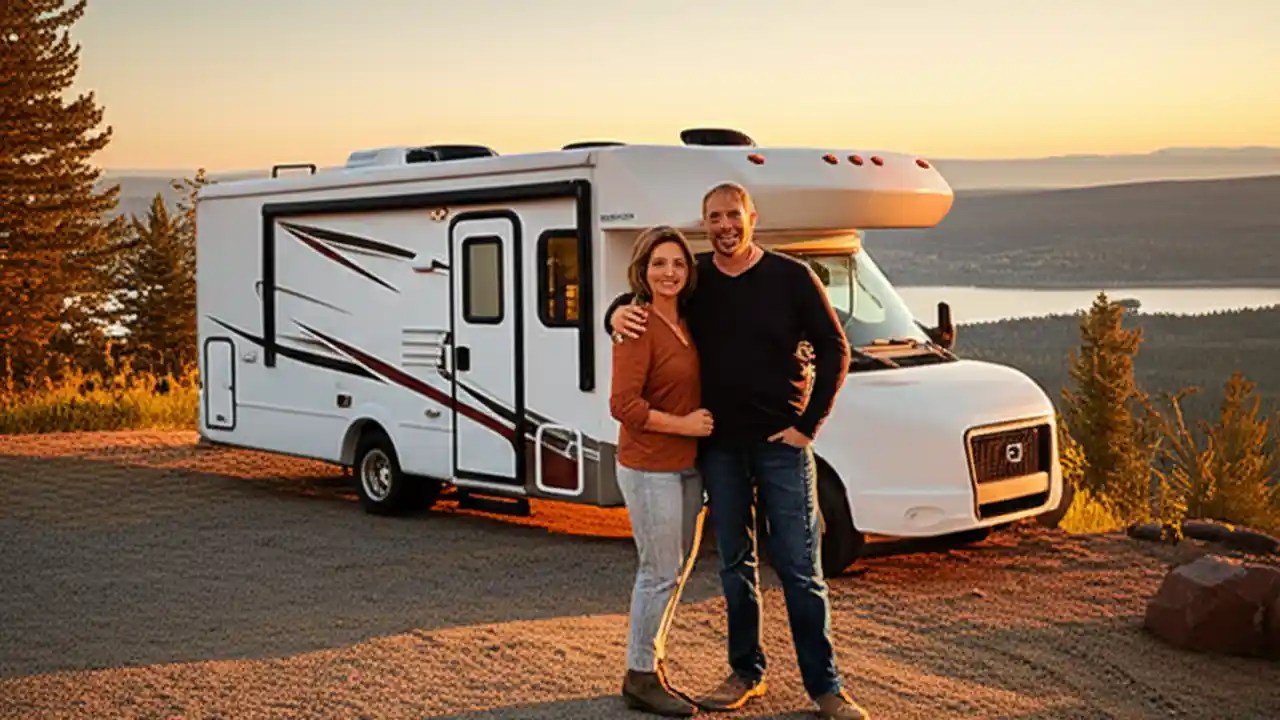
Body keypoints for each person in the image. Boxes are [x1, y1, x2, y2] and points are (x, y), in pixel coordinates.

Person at [605, 183, 867, 719]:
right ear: (705, 223)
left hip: (780, 446)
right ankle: (746, 672)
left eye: (733, 215)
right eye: (714, 217)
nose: (724, 225)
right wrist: (614, 312)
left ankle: (827, 688)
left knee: (800, 567)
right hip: (719, 449)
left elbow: (835, 348)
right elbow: (648, 296)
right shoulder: (697, 278)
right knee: (734, 565)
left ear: (752, 217)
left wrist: (808, 427)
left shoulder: (792, 277)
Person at [609, 225, 713, 717]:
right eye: (658, 264)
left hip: (687, 465)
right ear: (642, 271)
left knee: (677, 569)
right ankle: (640, 676)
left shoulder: (687, 321)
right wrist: (685, 425)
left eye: (677, 263)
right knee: (657, 571)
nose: (669, 272)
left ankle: (652, 661)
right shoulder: (635, 325)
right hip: (650, 466)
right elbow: (623, 405)